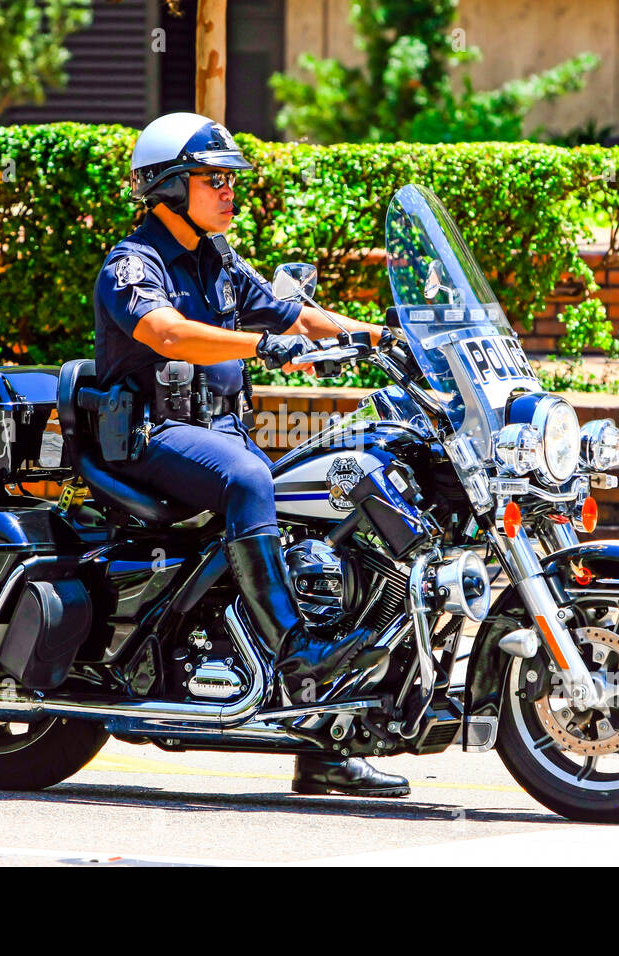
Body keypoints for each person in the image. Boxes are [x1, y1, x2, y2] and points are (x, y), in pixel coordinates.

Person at [93, 112, 409, 797]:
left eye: (232, 179)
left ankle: (328, 741)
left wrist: (385, 339)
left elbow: (296, 315)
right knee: (249, 477)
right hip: (152, 436)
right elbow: (168, 334)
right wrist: (260, 347)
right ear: (172, 187)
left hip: (218, 434)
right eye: (216, 179)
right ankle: (298, 651)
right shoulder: (133, 263)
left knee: (326, 503)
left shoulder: (220, 261)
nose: (231, 191)